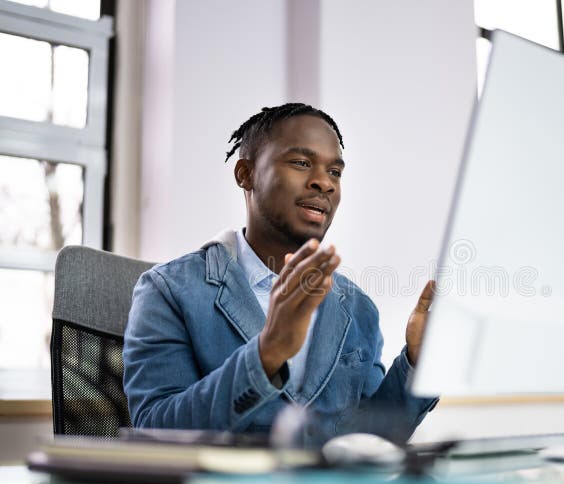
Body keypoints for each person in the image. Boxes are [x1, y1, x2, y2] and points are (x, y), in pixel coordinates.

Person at [123, 103, 438, 445]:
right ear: (246, 174)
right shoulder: (169, 291)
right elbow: (155, 431)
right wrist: (267, 353)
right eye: (302, 163)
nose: (324, 183)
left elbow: (369, 441)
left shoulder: (358, 307)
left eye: (335, 172)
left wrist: (418, 364)